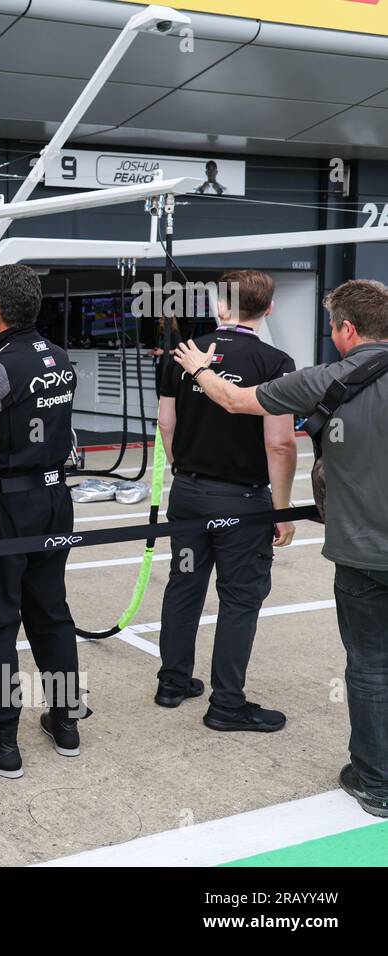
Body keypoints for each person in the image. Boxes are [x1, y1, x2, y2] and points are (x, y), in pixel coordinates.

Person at [173, 278, 388, 818]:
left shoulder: (323, 378)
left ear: (346, 329)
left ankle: (376, 780)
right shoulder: (280, 359)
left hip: (361, 551)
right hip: (254, 502)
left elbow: (231, 404)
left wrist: (197, 366)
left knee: (368, 665)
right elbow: (275, 442)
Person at [0, 264, 83, 778]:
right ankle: (67, 720)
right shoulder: (60, 358)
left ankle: (1, 738)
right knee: (51, 610)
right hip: (55, 497)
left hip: (9, 503)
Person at [155, 270, 295, 730]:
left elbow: (166, 426)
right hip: (242, 501)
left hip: (189, 494)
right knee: (239, 599)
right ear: (268, 309)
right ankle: (227, 705)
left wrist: (184, 468)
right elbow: (280, 444)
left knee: (185, 585)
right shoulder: (275, 361)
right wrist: (282, 508)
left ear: (221, 306)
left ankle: (172, 683)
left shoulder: (182, 354)